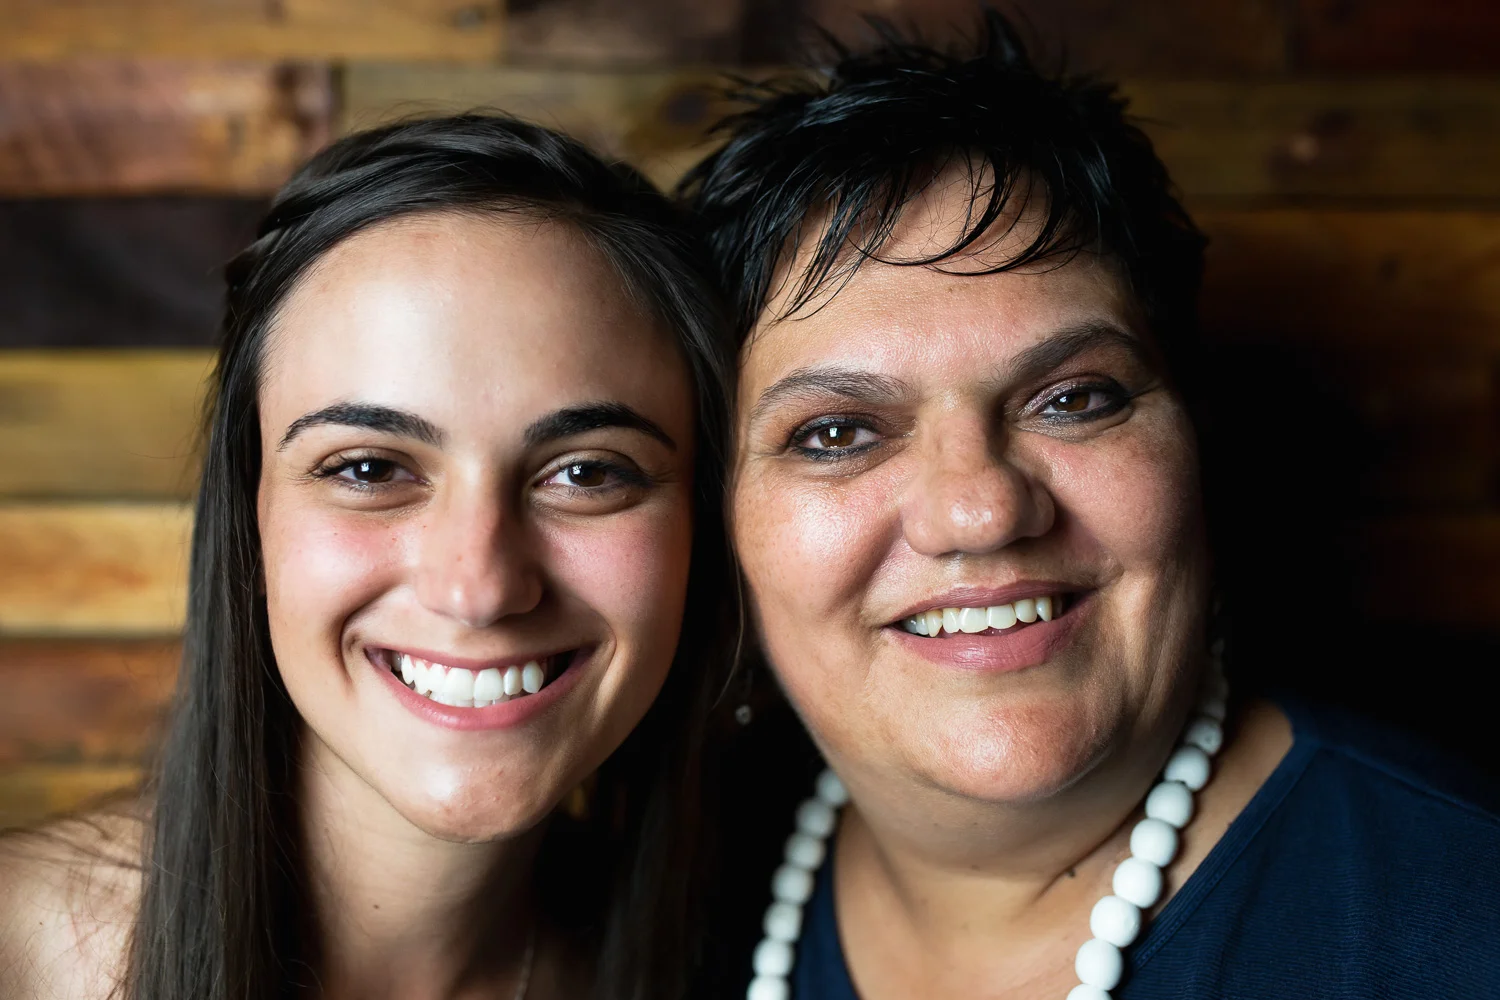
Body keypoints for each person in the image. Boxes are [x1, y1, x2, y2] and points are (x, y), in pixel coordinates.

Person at [681, 13, 1500, 1000]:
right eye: (838, 433)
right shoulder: (669, 905)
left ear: (1195, 436)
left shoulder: (1463, 924)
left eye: (1071, 399)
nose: (982, 511)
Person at [0, 114, 733, 1000]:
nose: (479, 587)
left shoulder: (742, 956)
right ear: (251, 509)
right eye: (368, 468)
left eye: (585, 472)